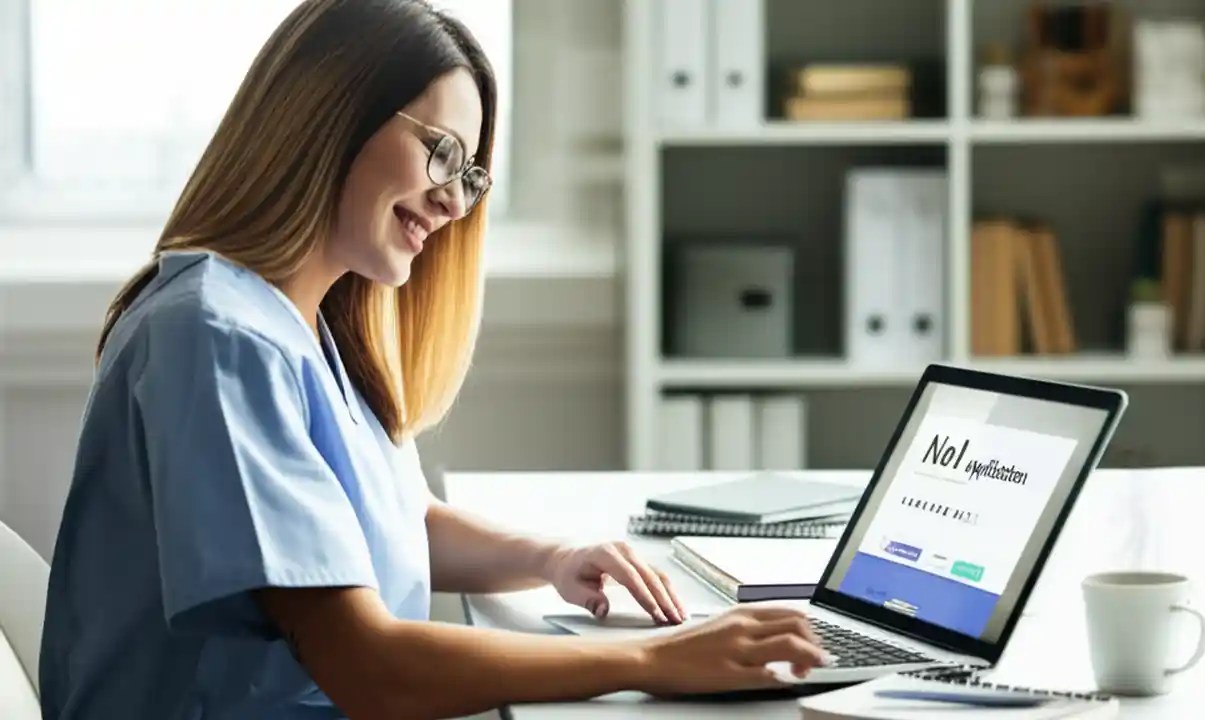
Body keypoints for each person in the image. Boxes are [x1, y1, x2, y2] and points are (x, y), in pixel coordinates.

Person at [37, 1, 827, 718]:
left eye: (472, 176)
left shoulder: (302, 324)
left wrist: (550, 558)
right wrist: (651, 659)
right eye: (443, 154)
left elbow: (391, 520)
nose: (455, 203)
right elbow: (370, 667)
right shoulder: (218, 339)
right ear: (329, 115)